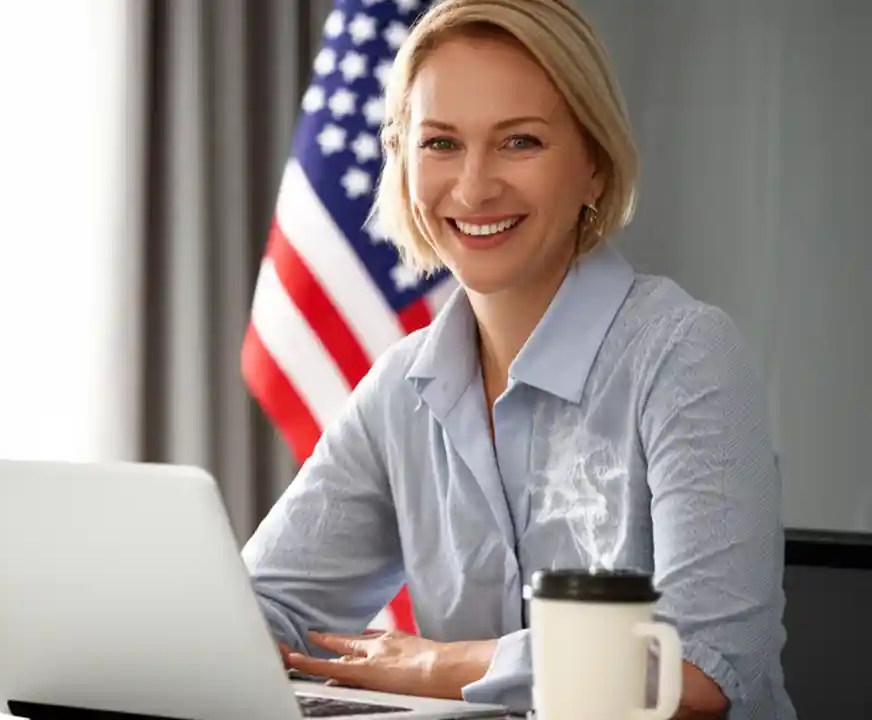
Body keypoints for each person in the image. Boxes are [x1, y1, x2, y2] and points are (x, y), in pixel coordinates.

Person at [241, 1, 795, 718]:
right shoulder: (401, 389)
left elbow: (698, 674)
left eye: (520, 142)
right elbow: (261, 608)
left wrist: (446, 665)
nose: (473, 188)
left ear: (594, 165)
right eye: (440, 143)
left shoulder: (685, 358)